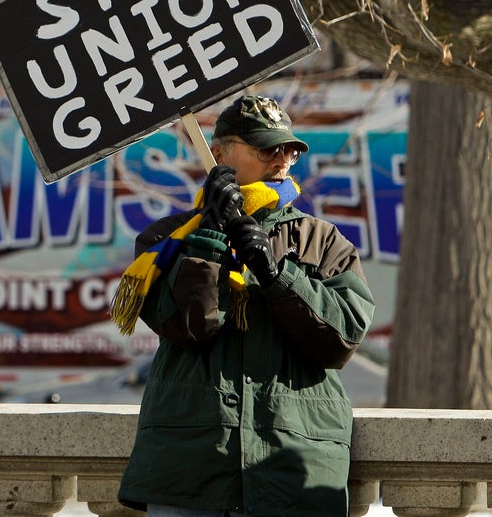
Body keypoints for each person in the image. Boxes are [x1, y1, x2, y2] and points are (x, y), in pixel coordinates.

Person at [112, 95, 376, 516]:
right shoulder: (164, 241)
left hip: (293, 471)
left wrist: (276, 276)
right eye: (267, 148)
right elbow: (188, 327)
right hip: (190, 472)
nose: (283, 159)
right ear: (218, 153)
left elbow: (340, 339)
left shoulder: (324, 241)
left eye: (289, 149)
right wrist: (213, 238)